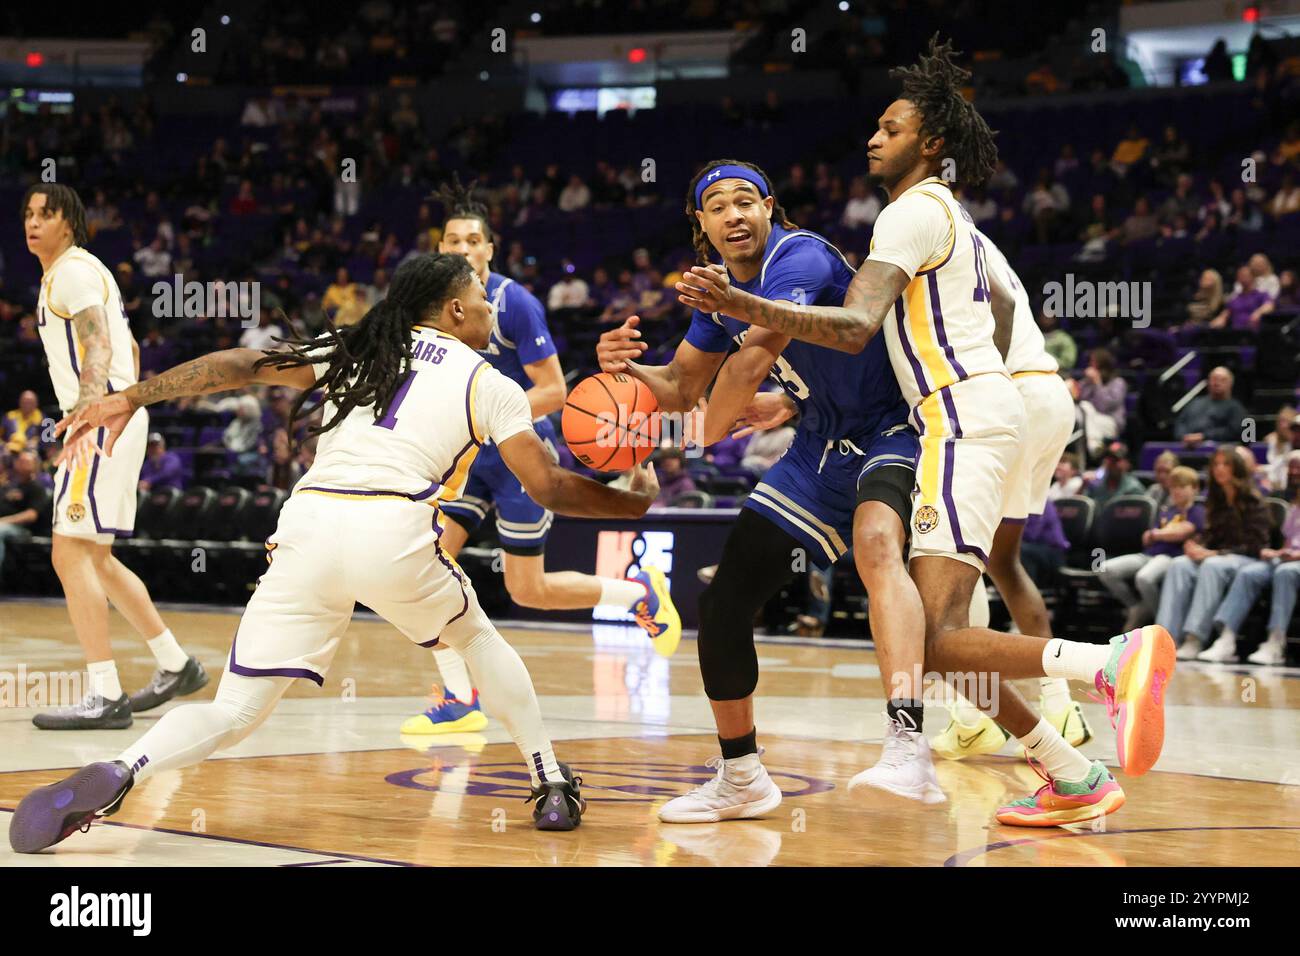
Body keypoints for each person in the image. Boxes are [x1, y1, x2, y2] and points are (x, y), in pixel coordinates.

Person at [675, 39, 1173, 826]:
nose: (872, 138)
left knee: (937, 636)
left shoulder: (908, 213)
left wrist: (746, 314)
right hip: (1000, 403)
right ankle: (1072, 772)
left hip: (958, 413)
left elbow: (853, 325)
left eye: (891, 126)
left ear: (931, 142)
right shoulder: (948, 216)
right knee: (946, 626)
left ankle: (1108, 663)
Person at [9, 253, 663, 854]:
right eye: (482, 299)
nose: (492, 310)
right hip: (391, 528)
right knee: (474, 634)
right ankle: (549, 779)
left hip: (307, 526)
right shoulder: (489, 382)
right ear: (456, 310)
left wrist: (129, 396)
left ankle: (128, 767)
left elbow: (239, 365)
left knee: (234, 713)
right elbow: (546, 484)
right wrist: (632, 504)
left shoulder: (358, 348)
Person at [602, 156, 926, 818]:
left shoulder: (799, 255)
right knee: (724, 602)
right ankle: (743, 777)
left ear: (770, 207)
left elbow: (749, 364)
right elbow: (683, 385)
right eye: (718, 206)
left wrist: (691, 436)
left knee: (876, 547)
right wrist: (623, 370)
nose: (735, 214)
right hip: (818, 445)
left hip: (893, 427)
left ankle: (907, 742)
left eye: (746, 201)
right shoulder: (716, 292)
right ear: (701, 222)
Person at [402, 179, 681, 736]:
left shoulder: (514, 304)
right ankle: (461, 698)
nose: (460, 247)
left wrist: (483, 417)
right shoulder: (428, 311)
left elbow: (554, 390)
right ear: (439, 249)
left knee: (526, 589)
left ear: (488, 250)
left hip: (518, 453)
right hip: (466, 457)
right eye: (451, 239)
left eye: (471, 240)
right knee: (422, 571)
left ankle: (638, 592)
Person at [20, 183, 207, 730]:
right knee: (95, 557)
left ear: (69, 223)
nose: (33, 223)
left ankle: (104, 695)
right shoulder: (79, 270)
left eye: (45, 214)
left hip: (103, 419)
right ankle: (177, 665)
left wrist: (87, 414)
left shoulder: (73, 272)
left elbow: (100, 344)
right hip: (119, 414)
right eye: (28, 214)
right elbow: (131, 348)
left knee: (68, 553)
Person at [930, 229, 1092, 762]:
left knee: (959, 554)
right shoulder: (975, 236)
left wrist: (987, 382)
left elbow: (996, 301)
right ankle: (1060, 706)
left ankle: (974, 717)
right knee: (1001, 558)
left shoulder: (932, 230)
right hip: (1046, 391)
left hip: (1016, 391)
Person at [1156, 446, 1270, 660]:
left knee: (1211, 566)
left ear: (1236, 468)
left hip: (1246, 558)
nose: (1219, 469)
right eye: (1216, 464)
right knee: (1179, 564)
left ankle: (1194, 639)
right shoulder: (1215, 501)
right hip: (1219, 556)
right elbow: (1211, 536)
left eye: (1225, 464)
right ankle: (1166, 639)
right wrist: (1197, 545)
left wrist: (1213, 553)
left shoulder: (1254, 500)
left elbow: (1254, 545)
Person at [1200, 485, 1300, 665]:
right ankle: (1227, 639)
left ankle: (1276, 642)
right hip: (1286, 559)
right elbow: (1288, 543)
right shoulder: (1295, 509)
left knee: (1285, 573)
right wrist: (1277, 552)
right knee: (1249, 573)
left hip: (1294, 564)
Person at [1099, 466, 1204, 631]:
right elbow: (1148, 539)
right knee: (1105, 569)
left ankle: (1160, 621)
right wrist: (1159, 534)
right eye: (1173, 487)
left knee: (1144, 578)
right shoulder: (1166, 511)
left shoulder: (1197, 511)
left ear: (1195, 489)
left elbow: (1181, 533)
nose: (1177, 491)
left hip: (1171, 556)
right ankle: (1136, 606)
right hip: (1148, 554)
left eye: (1182, 487)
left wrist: (1157, 534)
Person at [0, 451, 48, 585]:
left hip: (25, 530)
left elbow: (31, 515)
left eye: (27, 462)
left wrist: (4, 521)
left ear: (35, 466)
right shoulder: (10, 486)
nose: (22, 464)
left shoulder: (36, 487)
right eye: (20, 461)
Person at [1174, 366, 1249, 446]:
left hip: (1220, 450)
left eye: (1222, 380)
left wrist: (1203, 437)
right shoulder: (1195, 403)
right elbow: (1180, 423)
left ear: (1230, 383)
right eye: (1214, 379)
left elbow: (1234, 431)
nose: (1217, 383)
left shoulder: (1236, 407)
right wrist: (1184, 436)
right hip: (1186, 446)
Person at [1073, 347, 1126, 456]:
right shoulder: (1087, 382)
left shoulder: (1118, 383)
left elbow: (1104, 406)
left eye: (1093, 362)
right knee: (1080, 409)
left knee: (1085, 408)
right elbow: (1079, 399)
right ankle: (1094, 446)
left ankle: (1094, 447)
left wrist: (1097, 383)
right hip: (1089, 422)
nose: (1090, 365)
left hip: (1109, 422)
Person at [1085, 441, 1146, 507]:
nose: (1111, 464)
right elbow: (1082, 509)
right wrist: (1083, 485)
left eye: (1115, 460)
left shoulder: (1134, 488)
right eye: (1109, 459)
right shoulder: (1096, 485)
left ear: (1126, 463)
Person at [3, 390, 43, 454]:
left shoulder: (44, 418)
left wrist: (38, 442)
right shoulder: (9, 416)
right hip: (9, 448)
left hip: (30, 450)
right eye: (24, 402)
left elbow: (50, 438)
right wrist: (3, 445)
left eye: (30, 402)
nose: (27, 405)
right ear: (19, 402)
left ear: (36, 403)